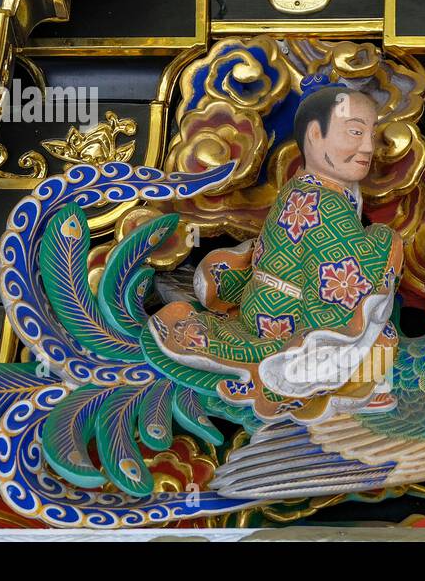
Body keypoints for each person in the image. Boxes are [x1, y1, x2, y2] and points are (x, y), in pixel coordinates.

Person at [149, 85, 403, 424]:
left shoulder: (303, 186)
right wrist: (384, 237)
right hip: (282, 324)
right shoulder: (325, 202)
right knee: (382, 337)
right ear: (315, 135)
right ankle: (351, 392)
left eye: (371, 133)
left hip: (265, 305)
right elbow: (343, 281)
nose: (369, 147)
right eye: (356, 132)